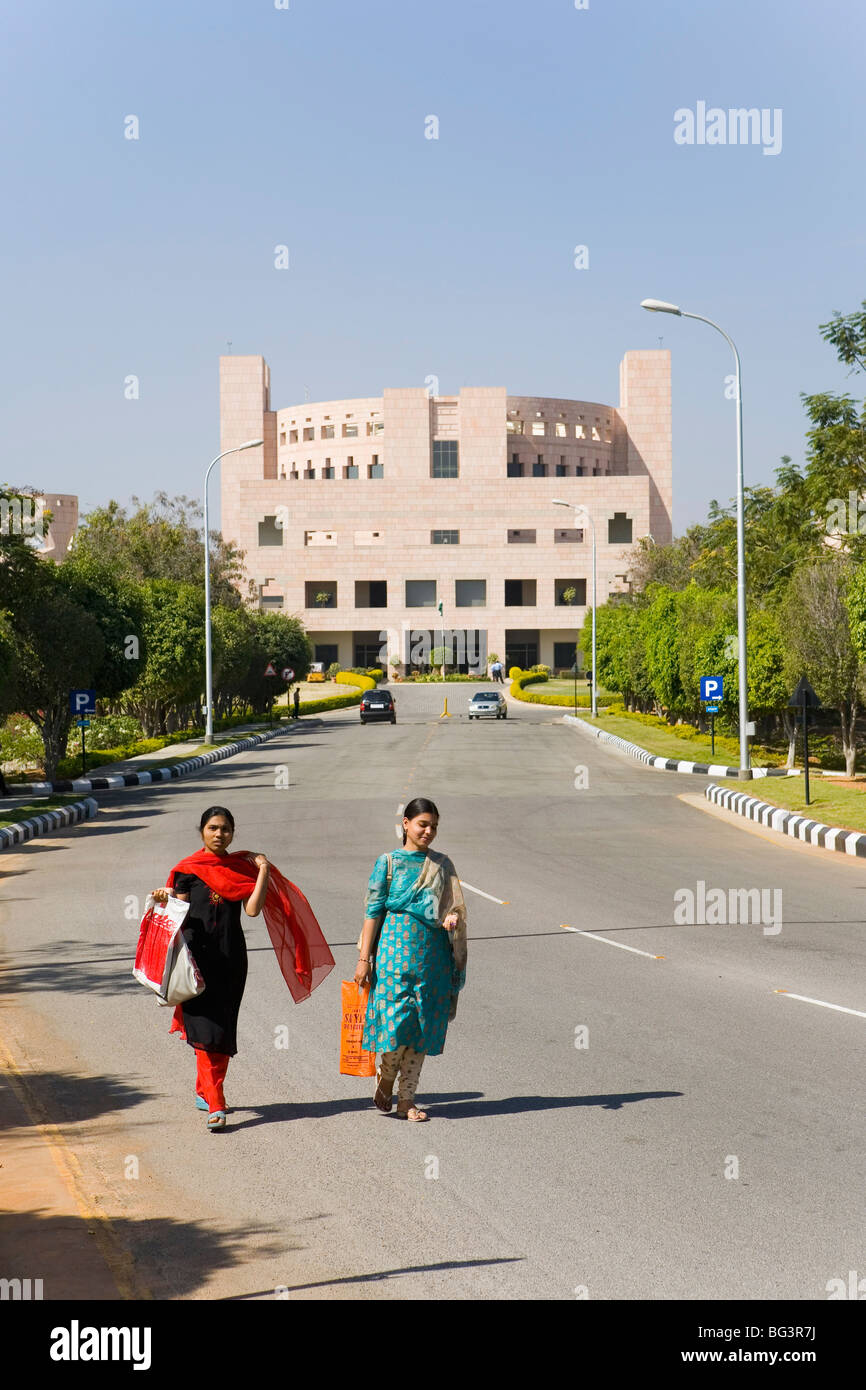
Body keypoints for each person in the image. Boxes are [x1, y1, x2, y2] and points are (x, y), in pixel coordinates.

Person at [150, 805, 334, 1129]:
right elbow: (178, 911)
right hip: (196, 959)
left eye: (225, 829)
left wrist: (263, 871)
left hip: (230, 958)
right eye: (213, 828)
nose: (219, 834)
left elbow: (252, 910)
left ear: (233, 833)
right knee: (204, 1027)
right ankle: (216, 1103)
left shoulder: (239, 869)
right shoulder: (187, 870)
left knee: (221, 1030)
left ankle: (205, 1089)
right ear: (202, 831)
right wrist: (166, 898)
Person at [354, 797, 467, 1122]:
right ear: (406, 824)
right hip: (393, 957)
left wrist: (451, 918)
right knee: (395, 1023)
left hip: (433, 960)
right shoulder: (388, 863)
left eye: (434, 826)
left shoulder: (443, 865)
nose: (428, 831)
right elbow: (373, 911)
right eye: (422, 824)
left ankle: (407, 1100)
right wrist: (364, 959)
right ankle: (387, 1073)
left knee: (421, 1026)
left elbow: (454, 907)